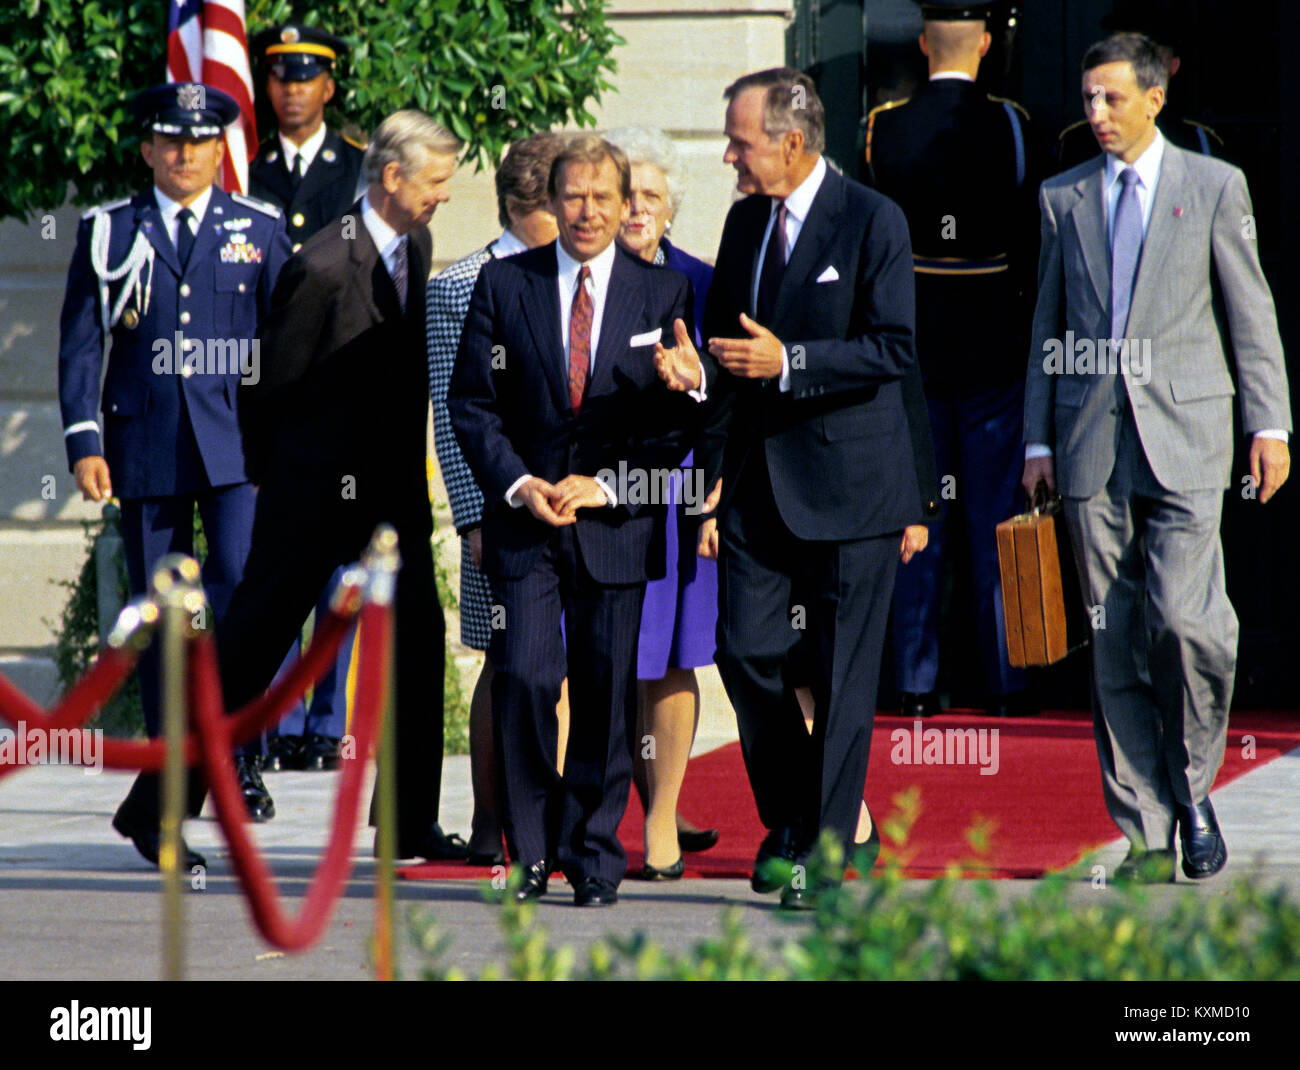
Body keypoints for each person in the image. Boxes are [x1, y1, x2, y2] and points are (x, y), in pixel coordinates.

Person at [1022, 33, 1290, 883]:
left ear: (1154, 99)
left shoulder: (1215, 186)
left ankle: (1193, 786)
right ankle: (1144, 830)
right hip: (1089, 442)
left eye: (1111, 98)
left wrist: (1271, 425)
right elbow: (1046, 325)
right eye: (1088, 98)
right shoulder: (1062, 197)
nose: (1096, 113)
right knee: (1113, 641)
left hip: (1190, 437)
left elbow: (1251, 311)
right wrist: (1037, 439)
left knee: (1185, 624)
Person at [672, 68, 933, 909]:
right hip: (756, 485)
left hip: (855, 487)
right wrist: (706, 427)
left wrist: (791, 362)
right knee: (744, 652)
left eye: (740, 143)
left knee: (843, 677)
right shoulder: (746, 220)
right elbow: (727, 354)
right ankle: (798, 818)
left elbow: (894, 348)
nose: (729, 157)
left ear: (791, 142)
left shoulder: (873, 218)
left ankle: (820, 855)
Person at [448, 135, 701, 907]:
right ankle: (530, 848)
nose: (587, 211)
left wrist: (685, 391)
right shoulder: (504, 283)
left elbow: (673, 429)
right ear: (553, 203)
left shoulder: (662, 293)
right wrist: (520, 484)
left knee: (605, 692)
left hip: (614, 526)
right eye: (573, 196)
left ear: (626, 205)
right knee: (525, 678)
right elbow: (471, 404)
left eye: (602, 197)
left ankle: (591, 852)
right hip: (526, 523)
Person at [217, 110, 468, 861]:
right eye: (435, 181)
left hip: (392, 496)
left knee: (418, 643)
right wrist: (275, 481)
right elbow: (265, 384)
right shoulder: (323, 264)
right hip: (311, 494)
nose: (444, 195)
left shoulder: (414, 243)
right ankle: (167, 795)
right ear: (391, 177)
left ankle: (408, 823)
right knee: (253, 644)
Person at [58, 82, 291, 866]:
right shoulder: (108, 229)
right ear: (149, 150)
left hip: (237, 448)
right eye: (170, 141)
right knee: (161, 613)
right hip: (146, 443)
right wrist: (85, 442)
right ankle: (166, 779)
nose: (184, 154)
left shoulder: (257, 226)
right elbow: (81, 344)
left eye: (198, 143)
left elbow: (285, 338)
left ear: (219, 149)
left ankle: (233, 752)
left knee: (242, 595)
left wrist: (291, 441)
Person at [866, 0, 1041, 719]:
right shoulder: (1013, 125)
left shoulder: (883, 126)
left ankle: (913, 682)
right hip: (993, 343)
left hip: (912, 347)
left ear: (921, 43)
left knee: (920, 513)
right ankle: (1005, 680)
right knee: (996, 516)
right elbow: (1030, 237)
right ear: (987, 45)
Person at [426, 130, 569, 866]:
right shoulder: (460, 284)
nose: (576, 220)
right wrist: (475, 517)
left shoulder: (577, 272)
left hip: (572, 506)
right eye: (559, 207)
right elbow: (454, 416)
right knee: (504, 660)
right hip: (498, 510)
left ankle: (551, 824)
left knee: (558, 665)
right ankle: (491, 823)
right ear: (519, 206)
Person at [248, 23, 367, 777]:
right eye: (278, 77)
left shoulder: (357, 169)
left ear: (328, 86)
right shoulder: (244, 166)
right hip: (267, 386)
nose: (290, 90)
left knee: (336, 559)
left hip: (339, 383)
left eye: (304, 78)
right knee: (271, 554)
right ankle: (278, 717)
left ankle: (327, 724)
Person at [604, 125, 720, 879]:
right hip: (599, 493)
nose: (638, 208)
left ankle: (661, 819)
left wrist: (698, 378)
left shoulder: (702, 281)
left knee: (673, 657)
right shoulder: (586, 278)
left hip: (680, 494)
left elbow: (730, 395)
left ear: (671, 204)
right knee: (608, 656)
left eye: (651, 195)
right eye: (626, 194)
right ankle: (594, 815)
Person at [1055, 2, 1225, 172]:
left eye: (1146, 53)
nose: (1130, 62)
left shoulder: (1198, 141)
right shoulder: (1077, 142)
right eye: (1120, 50)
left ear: (1173, 65)